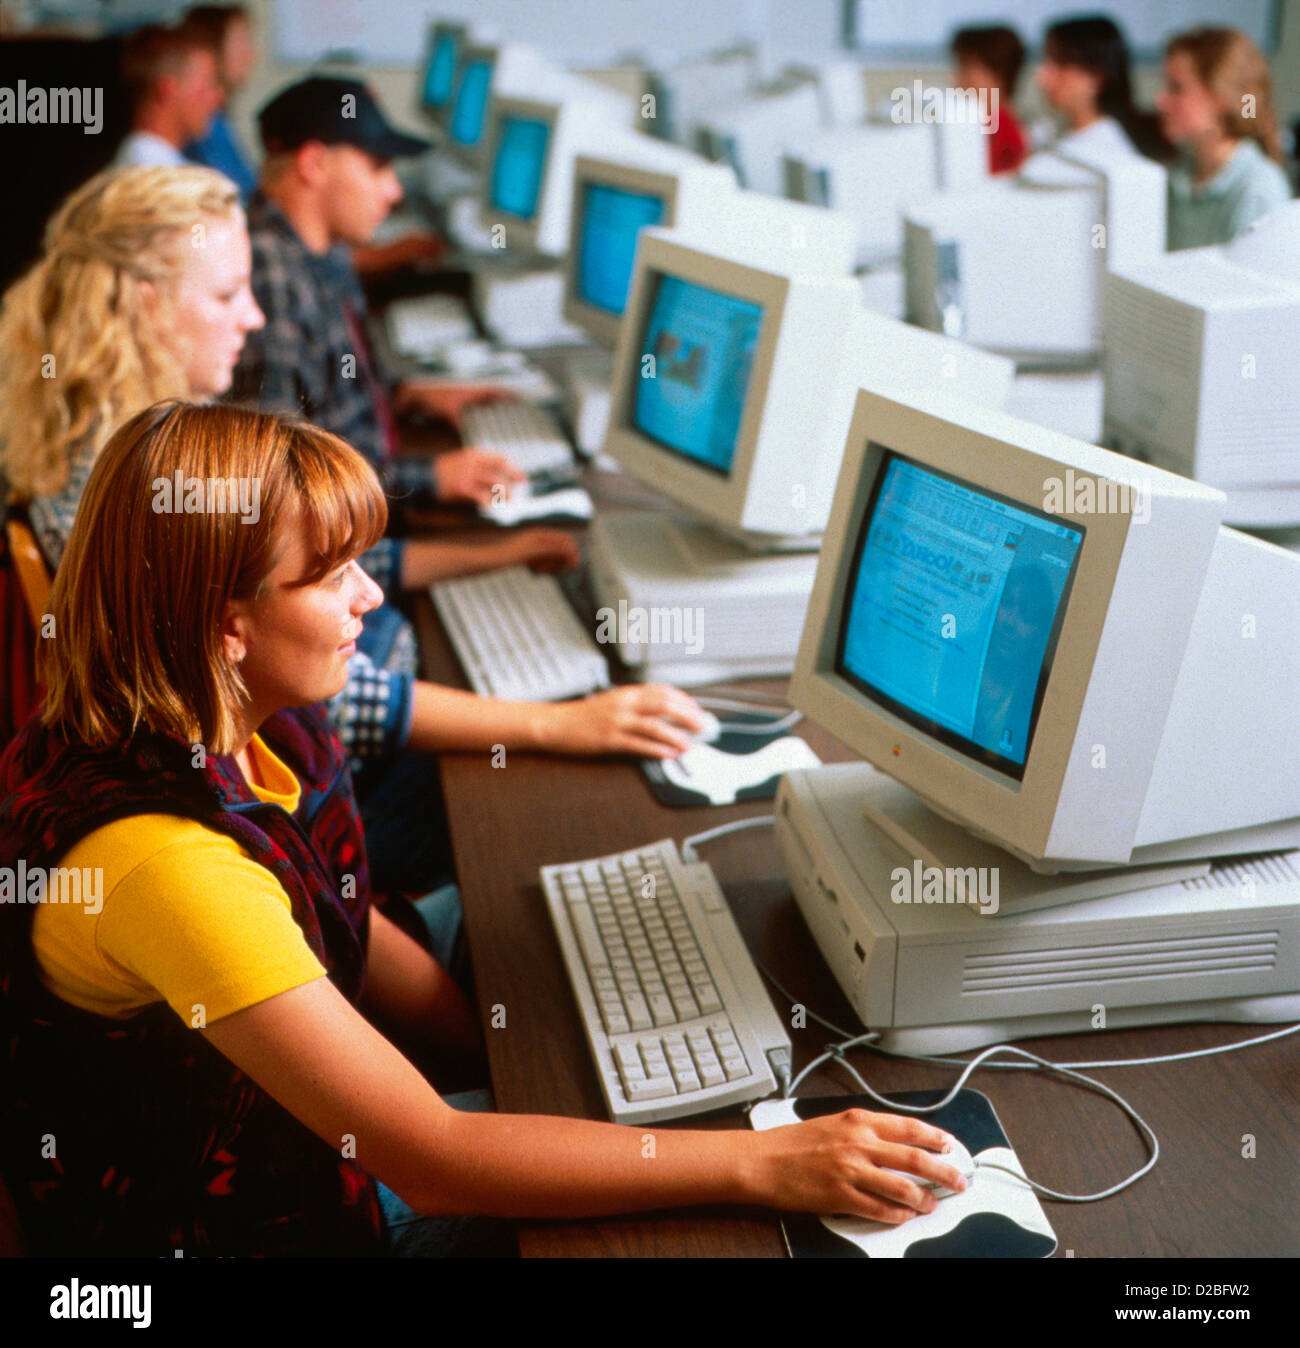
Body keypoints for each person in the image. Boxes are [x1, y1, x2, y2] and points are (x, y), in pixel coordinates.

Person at [0, 399, 967, 1256]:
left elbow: (340, 920)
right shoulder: (170, 865)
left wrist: (487, 1051)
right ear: (226, 624)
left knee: (559, 942)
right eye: (331, 575)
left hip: (271, 1083)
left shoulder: (224, 710)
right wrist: (759, 1163)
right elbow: (433, 1159)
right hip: (239, 1218)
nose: (369, 597)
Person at [0, 166, 708, 889]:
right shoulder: (139, 484)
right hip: (283, 799)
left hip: (269, 761)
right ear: (144, 305)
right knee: (527, 824)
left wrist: (489, 557)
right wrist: (557, 724)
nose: (254, 316)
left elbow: (304, 567)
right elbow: (338, 695)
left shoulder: (113, 437)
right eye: (225, 295)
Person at [228, 75, 524, 514]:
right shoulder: (269, 277)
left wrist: (405, 395)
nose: (394, 191)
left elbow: (322, 393)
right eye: (378, 166)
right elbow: (284, 485)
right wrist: (433, 478)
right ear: (314, 164)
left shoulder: (321, 250)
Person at [1158, 27, 1292, 251]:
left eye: (1176, 88)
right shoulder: (1178, 175)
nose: (1160, 101)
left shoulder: (1257, 189)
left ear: (1220, 98)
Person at [1034, 15, 1151, 163]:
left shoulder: (1109, 154)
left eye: (1060, 65)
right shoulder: (1060, 136)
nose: (1042, 77)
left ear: (1096, 76)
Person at [113, 21, 225, 169]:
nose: (219, 97)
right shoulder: (158, 179)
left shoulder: (140, 163)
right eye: (208, 84)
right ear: (167, 90)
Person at [181, 4, 260, 202]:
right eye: (241, 42)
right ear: (211, 50)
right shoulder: (204, 127)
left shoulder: (220, 122)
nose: (251, 54)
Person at [951, 25, 1029, 175]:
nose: (957, 79)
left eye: (966, 69)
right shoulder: (991, 122)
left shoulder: (999, 128)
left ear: (996, 74)